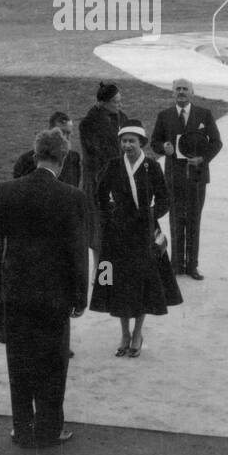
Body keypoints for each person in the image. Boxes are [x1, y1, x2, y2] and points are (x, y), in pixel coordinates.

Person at [0, 129, 87, 449]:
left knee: (19, 362)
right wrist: (80, 297)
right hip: (54, 297)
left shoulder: (6, 191)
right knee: (53, 365)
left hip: (15, 293)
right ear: (64, 158)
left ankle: (22, 428)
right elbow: (77, 254)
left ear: (34, 153)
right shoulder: (72, 197)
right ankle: (49, 428)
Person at [91, 122, 181, 357]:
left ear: (141, 142)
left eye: (132, 141)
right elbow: (99, 195)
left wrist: (151, 215)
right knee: (116, 282)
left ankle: (138, 333)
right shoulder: (113, 165)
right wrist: (111, 213)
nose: (127, 145)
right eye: (124, 141)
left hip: (145, 233)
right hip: (117, 234)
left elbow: (163, 199)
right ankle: (124, 333)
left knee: (143, 284)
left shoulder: (152, 167)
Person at [149, 78, 222, 279]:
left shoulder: (204, 115)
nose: (181, 92)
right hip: (174, 176)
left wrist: (203, 159)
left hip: (197, 176)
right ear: (173, 93)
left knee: (193, 221)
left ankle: (192, 266)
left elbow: (216, 142)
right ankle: (176, 265)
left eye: (185, 89)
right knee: (175, 220)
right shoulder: (164, 116)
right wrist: (164, 148)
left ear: (192, 92)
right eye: (178, 89)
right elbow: (154, 142)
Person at [79, 81, 128, 246]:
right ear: (102, 103)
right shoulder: (88, 123)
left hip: (119, 178)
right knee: (99, 232)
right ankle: (100, 269)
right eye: (115, 101)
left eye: (120, 100)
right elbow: (96, 154)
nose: (119, 104)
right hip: (97, 181)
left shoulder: (122, 118)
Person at [13, 111, 82, 187]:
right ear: (50, 131)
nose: (65, 137)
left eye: (68, 133)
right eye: (61, 132)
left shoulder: (74, 158)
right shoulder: (26, 160)